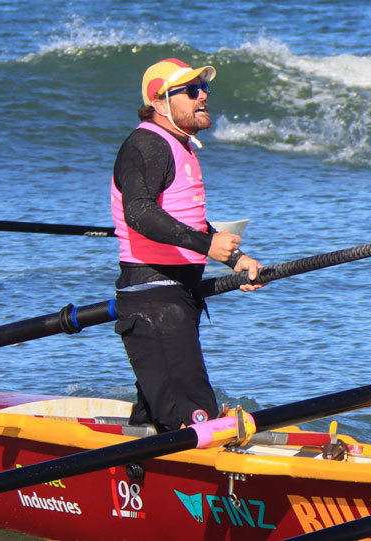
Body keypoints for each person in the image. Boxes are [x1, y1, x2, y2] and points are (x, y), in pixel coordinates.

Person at [111, 58, 265, 433]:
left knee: (159, 421)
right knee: (196, 422)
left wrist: (235, 258)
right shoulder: (146, 144)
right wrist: (207, 244)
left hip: (174, 298)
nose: (203, 97)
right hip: (154, 300)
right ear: (161, 103)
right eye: (192, 90)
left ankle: (134, 479)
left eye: (205, 89)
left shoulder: (178, 146)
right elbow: (140, 213)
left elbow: (187, 221)